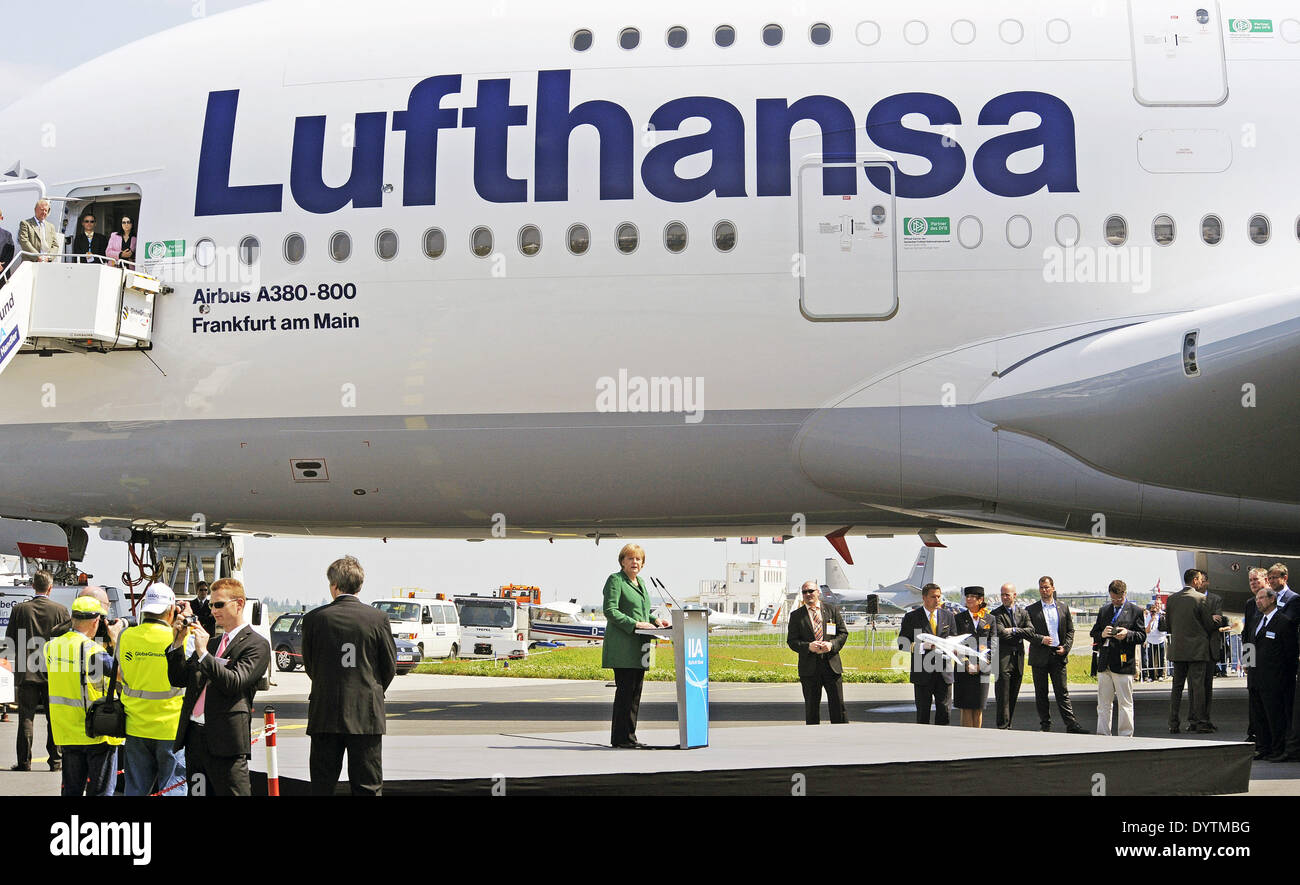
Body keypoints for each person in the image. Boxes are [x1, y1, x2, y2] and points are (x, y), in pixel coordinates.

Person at [302, 555, 397, 795]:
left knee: (323, 785)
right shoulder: (378, 618)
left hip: (325, 713)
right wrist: (371, 689)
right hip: (366, 715)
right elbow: (389, 666)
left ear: (334, 585)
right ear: (360, 585)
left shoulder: (314, 619)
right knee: (367, 785)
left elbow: (310, 665)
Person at [167, 577, 270, 796]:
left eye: (219, 604)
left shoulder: (256, 644)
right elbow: (179, 678)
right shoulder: (213, 643)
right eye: (212, 605)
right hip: (195, 740)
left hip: (226, 743)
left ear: (239, 604)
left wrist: (204, 654)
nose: (213, 610)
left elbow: (234, 682)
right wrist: (177, 644)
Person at [44, 595, 126, 796]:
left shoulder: (50, 647)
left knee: (71, 790)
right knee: (100, 791)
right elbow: (122, 673)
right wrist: (116, 640)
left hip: (66, 731)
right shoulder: (91, 651)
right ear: (96, 621)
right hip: (95, 731)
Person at [118, 583, 187, 796]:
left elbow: (121, 674)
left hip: (136, 724)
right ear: (172, 610)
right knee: (172, 787)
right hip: (170, 726)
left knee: (136, 788)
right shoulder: (181, 638)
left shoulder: (125, 636)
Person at [601, 543, 668, 747]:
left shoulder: (641, 583)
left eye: (638, 559)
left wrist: (656, 621)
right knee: (625, 694)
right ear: (622, 561)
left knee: (635, 695)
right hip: (623, 648)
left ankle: (629, 737)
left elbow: (642, 612)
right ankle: (621, 738)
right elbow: (610, 610)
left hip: (640, 647)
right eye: (630, 558)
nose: (635, 562)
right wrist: (635, 624)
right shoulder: (615, 580)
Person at [3, 570, 70, 771]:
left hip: (27, 672)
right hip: (53, 673)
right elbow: (67, 642)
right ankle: (56, 761)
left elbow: (10, 642)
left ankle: (24, 762)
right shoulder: (61, 610)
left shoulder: (20, 610)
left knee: (26, 718)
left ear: (33, 586)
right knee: (54, 718)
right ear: (50, 588)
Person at [1025, 576, 1088, 733]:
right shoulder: (1031, 610)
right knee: (1041, 692)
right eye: (1041, 587)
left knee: (1062, 691)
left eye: (1046, 587)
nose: (1044, 590)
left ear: (1053, 588)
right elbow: (1027, 633)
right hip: (1039, 655)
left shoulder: (1062, 607)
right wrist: (1041, 639)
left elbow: (1070, 630)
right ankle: (1045, 724)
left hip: (1058, 654)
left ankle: (1071, 724)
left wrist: (1066, 648)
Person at [1242, 586, 1297, 761]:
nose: (1258, 601)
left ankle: (1278, 749)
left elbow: (1290, 653)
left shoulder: (1284, 622)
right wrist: (1248, 665)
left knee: (1275, 716)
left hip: (1275, 679)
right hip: (1256, 678)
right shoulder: (1257, 620)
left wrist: (1286, 677)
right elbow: (1249, 642)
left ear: (1272, 599)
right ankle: (1263, 747)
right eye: (1257, 599)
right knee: (1259, 716)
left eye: (1261, 598)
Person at [786, 580, 848, 724]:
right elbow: (792, 641)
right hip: (809, 668)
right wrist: (808, 646)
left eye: (811, 591)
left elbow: (843, 633)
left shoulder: (831, 610)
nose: (808, 594)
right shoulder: (796, 615)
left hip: (831, 665)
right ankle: (813, 738)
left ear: (818, 592)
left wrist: (831, 645)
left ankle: (842, 735)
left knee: (838, 705)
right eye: (804, 592)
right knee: (811, 707)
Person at [1164, 568, 1218, 734]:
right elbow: (1208, 625)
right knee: (1198, 686)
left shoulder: (1172, 599)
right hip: (1197, 650)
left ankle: (1173, 722)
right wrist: (1216, 621)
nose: (1201, 582)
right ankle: (1200, 721)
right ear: (1195, 580)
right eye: (1200, 579)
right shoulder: (1201, 598)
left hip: (1178, 649)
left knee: (1177, 687)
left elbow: (1168, 625)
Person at [1090, 580, 1146, 737]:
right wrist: (1102, 634)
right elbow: (1094, 633)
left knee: (1125, 703)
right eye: (1113, 599)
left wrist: (1127, 634)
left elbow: (1142, 635)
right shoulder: (1104, 610)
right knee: (1103, 704)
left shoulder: (1135, 611)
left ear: (1124, 594)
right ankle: (1102, 733)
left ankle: (1125, 734)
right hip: (1105, 662)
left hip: (1123, 663)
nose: (1115, 602)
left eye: (1118, 599)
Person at [899, 583, 956, 725]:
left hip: (944, 672)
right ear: (924, 598)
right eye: (933, 597)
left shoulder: (948, 616)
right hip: (922, 673)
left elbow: (955, 637)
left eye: (939, 596)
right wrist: (922, 646)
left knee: (944, 712)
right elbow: (902, 643)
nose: (937, 600)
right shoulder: (912, 617)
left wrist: (952, 645)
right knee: (923, 713)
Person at [991, 582, 1036, 729]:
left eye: (1007, 594)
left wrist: (1014, 630)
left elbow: (1030, 631)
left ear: (1014, 595)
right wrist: (1017, 632)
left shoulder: (1023, 613)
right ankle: (1003, 726)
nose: (1004, 597)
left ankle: (1009, 723)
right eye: (1002, 594)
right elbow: (1002, 634)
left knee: (1013, 694)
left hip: (1018, 659)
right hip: (1002, 659)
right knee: (1003, 695)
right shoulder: (996, 614)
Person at [952, 587, 994, 728]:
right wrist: (966, 664)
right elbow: (956, 643)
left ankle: (977, 737)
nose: (968, 599)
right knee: (966, 707)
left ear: (980, 600)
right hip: (964, 668)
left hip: (982, 669)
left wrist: (980, 665)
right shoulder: (958, 618)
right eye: (967, 596)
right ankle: (966, 738)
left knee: (978, 706)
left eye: (972, 596)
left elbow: (993, 645)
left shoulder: (990, 619)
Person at [1202, 586, 1228, 731]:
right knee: (1195, 687)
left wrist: (1205, 620)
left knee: (1207, 686)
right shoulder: (1191, 599)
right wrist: (1209, 618)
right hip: (1195, 649)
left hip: (1210, 648)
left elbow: (1218, 622)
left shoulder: (1216, 599)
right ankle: (1196, 719)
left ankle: (1205, 718)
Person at [1143, 599, 1167, 681]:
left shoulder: (1162, 614)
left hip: (1160, 639)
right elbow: (1147, 630)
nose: (1153, 612)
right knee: (1151, 659)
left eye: (1159, 604)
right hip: (1151, 640)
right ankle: (1151, 676)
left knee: (1161, 658)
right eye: (1156, 604)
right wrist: (1151, 620)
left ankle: (1161, 675)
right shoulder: (1149, 616)